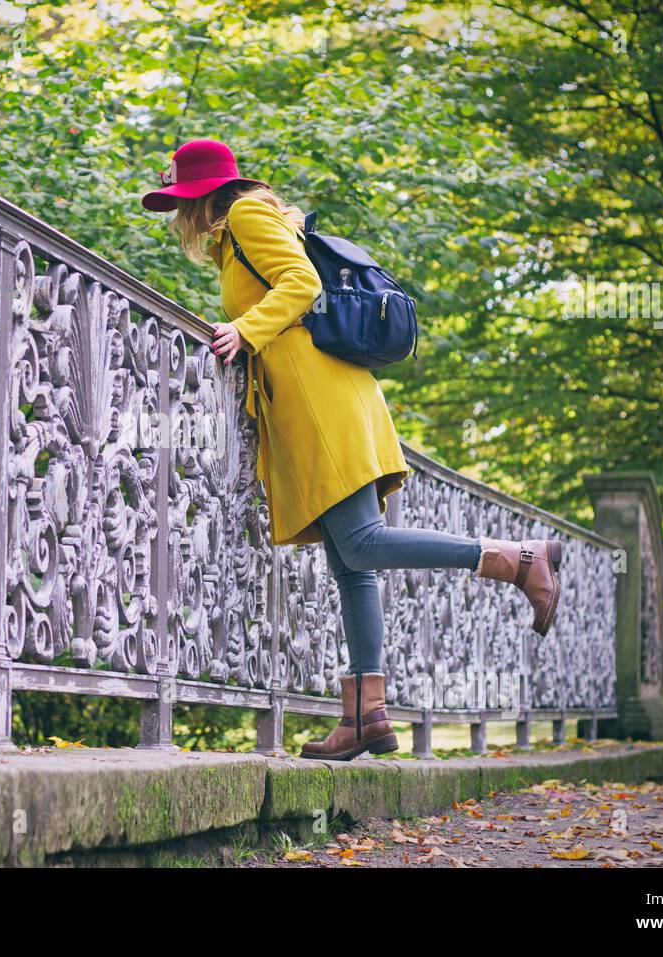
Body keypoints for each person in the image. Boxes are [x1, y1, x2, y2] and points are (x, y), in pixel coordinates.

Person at [142, 139, 562, 761]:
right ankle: (366, 715)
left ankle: (515, 559)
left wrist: (243, 329)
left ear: (203, 197)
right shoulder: (241, 232)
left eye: (179, 202)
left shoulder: (249, 217)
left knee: (361, 545)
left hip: (322, 404)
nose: (178, 220)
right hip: (325, 399)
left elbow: (302, 283)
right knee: (351, 563)